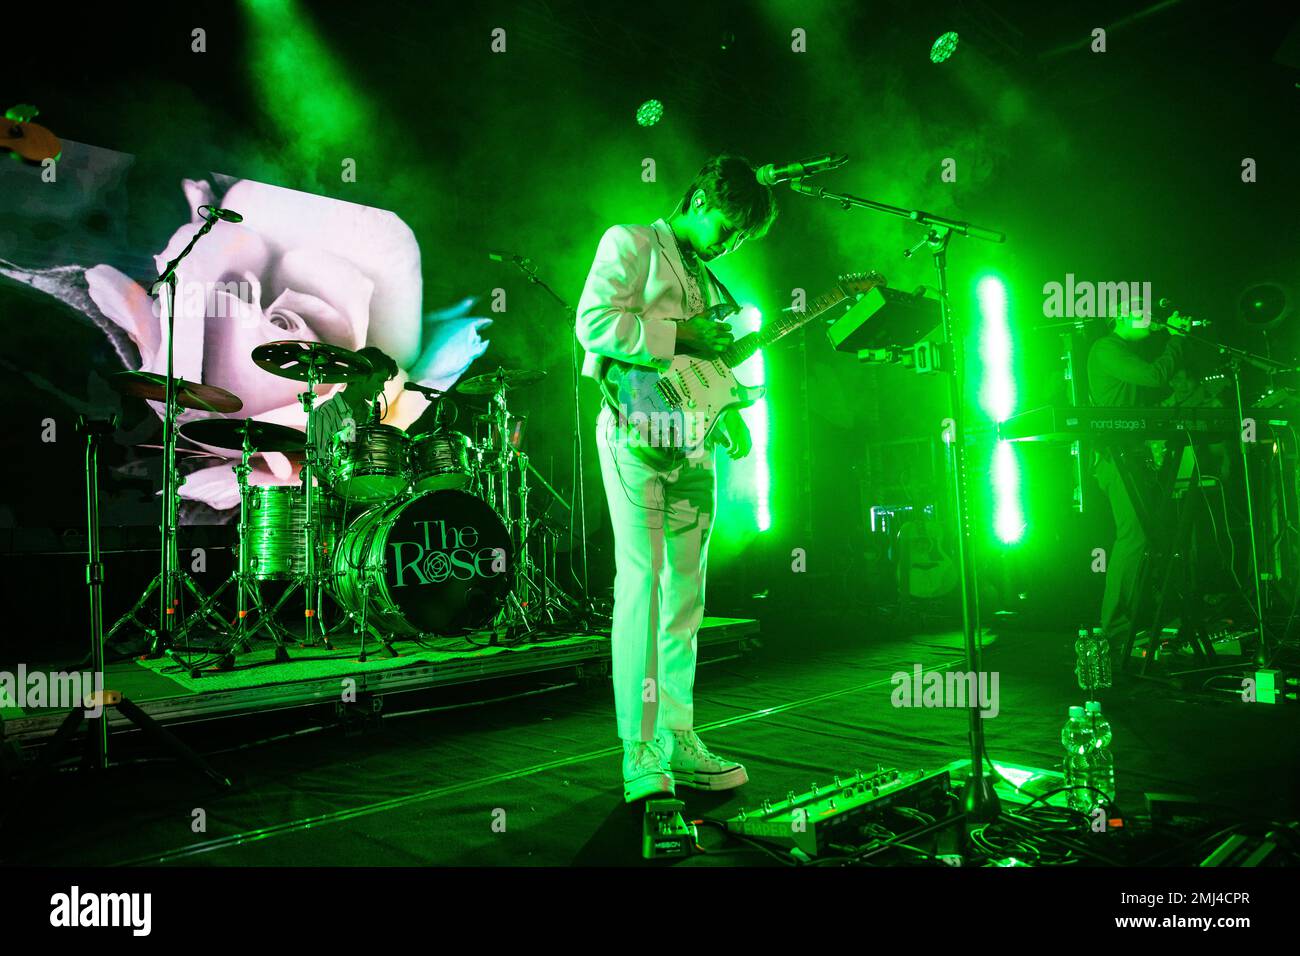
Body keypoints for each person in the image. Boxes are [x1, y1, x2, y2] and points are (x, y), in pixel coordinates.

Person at [575, 153, 776, 802]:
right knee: (643, 585)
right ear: (697, 197)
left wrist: (730, 406)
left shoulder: (712, 282)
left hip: (694, 444)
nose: (732, 239)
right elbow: (595, 324)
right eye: (730, 222)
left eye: (744, 234)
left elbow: (703, 364)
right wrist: (685, 333)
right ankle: (641, 758)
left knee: (686, 594)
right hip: (634, 429)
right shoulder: (630, 241)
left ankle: (679, 737)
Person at [1086, 303, 1188, 653]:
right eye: (1140, 312)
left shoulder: (1127, 352)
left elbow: (1154, 389)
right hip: (1116, 456)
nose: (1149, 317)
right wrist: (1174, 340)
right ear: (1119, 316)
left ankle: (1138, 618)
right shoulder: (1106, 348)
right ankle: (1114, 630)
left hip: (1132, 454)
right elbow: (1154, 377)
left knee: (1146, 535)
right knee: (1133, 536)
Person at [311, 346, 399, 468]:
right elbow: (317, 465)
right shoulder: (323, 413)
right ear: (361, 376)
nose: (383, 388)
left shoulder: (370, 414)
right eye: (380, 380)